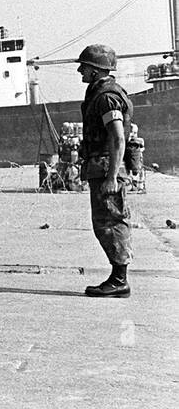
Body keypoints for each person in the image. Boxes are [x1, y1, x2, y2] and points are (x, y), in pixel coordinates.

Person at [77, 44, 133, 298]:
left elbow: (118, 138)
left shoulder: (106, 97)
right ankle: (117, 277)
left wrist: (112, 176)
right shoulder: (99, 92)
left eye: (84, 67)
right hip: (99, 167)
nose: (80, 70)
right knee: (105, 222)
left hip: (106, 169)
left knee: (111, 222)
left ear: (96, 70)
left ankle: (120, 280)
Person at [125, 122, 145, 191]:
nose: (133, 135)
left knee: (140, 169)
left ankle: (141, 185)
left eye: (135, 133)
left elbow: (142, 148)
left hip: (138, 158)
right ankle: (130, 183)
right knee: (128, 169)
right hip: (128, 158)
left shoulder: (140, 140)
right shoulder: (126, 141)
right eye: (131, 132)